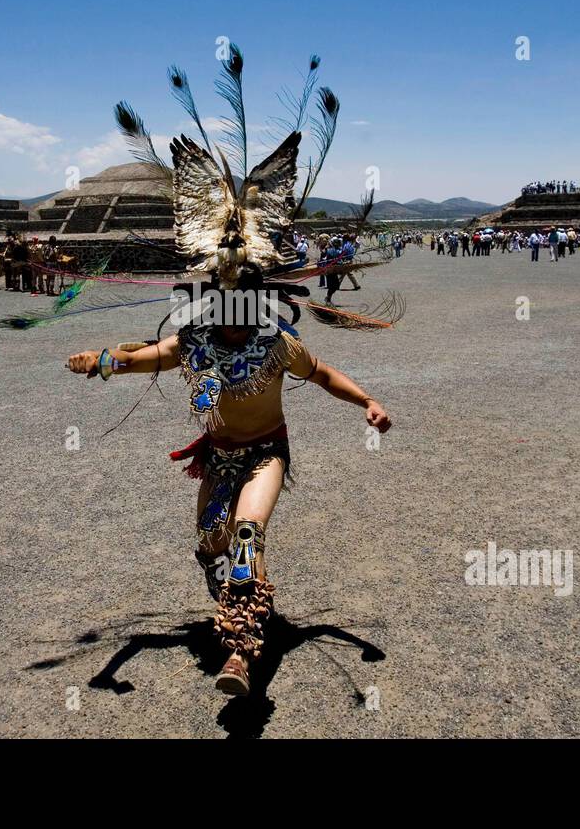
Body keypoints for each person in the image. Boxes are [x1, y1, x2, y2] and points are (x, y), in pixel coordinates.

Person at [62, 48, 396, 699]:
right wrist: (101, 361)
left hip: (267, 453)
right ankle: (218, 564)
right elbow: (146, 358)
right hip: (218, 457)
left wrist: (369, 403)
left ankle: (241, 653)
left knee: (247, 536)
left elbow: (324, 373)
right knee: (213, 539)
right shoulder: (197, 343)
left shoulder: (276, 345)